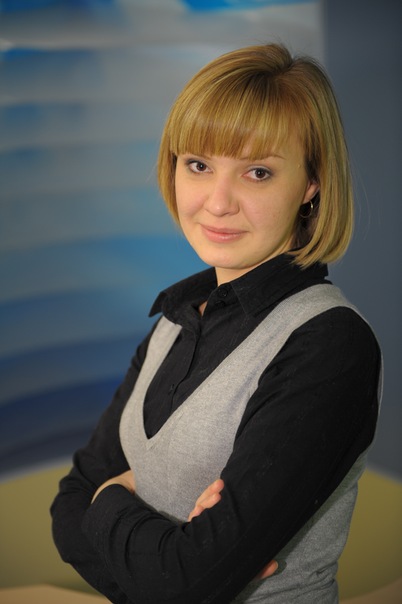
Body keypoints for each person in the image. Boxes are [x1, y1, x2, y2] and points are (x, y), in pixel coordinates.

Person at [51, 43, 381, 604]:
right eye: (199, 165)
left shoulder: (330, 344)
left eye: (258, 172)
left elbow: (185, 581)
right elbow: (68, 507)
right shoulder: (175, 321)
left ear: (311, 183)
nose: (218, 202)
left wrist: (108, 499)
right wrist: (165, 561)